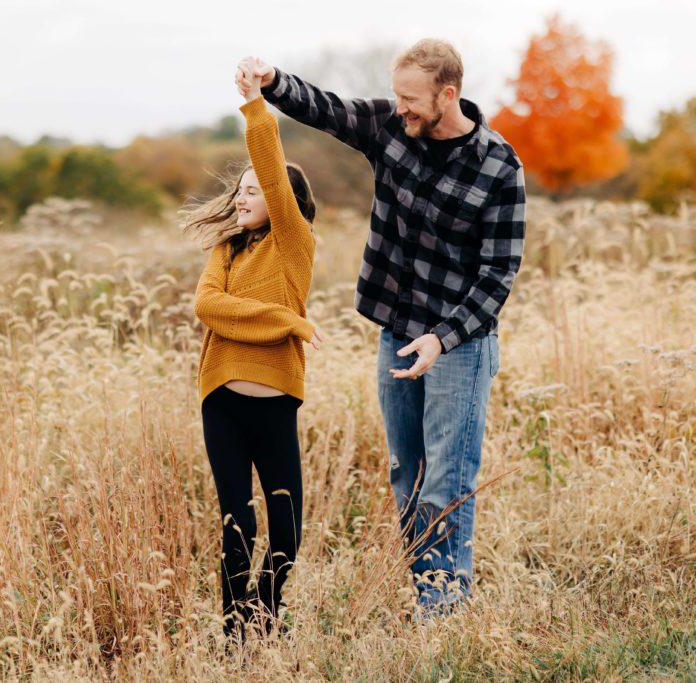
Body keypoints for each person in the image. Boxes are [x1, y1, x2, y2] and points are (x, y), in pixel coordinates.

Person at [236, 39, 526, 619]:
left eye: (411, 98)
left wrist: (443, 337)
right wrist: (272, 81)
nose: (401, 108)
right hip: (397, 331)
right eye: (396, 96)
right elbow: (326, 108)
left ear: (448, 94)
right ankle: (430, 594)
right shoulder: (390, 128)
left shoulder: (499, 166)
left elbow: (499, 274)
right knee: (406, 475)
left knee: (446, 479)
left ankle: (443, 612)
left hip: (459, 345)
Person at [182, 63, 324, 645]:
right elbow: (208, 306)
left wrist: (256, 106)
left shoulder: (294, 245)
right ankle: (232, 637)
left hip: (275, 404)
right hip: (222, 402)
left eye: (254, 190)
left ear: (283, 202)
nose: (242, 196)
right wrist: (286, 321)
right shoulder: (228, 250)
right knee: (236, 523)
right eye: (238, 190)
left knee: (287, 532)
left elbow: (269, 162)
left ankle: (260, 619)